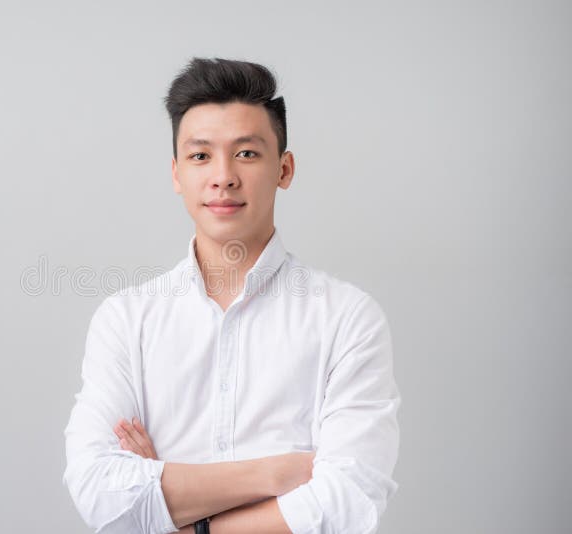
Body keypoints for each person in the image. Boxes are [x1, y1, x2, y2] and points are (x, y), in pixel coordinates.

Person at [62, 57, 400, 533]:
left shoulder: (347, 318)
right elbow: (100, 492)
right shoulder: (126, 320)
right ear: (177, 174)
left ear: (284, 169)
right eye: (201, 156)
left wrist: (181, 518)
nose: (223, 176)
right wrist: (276, 474)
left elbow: (347, 501)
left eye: (246, 153)